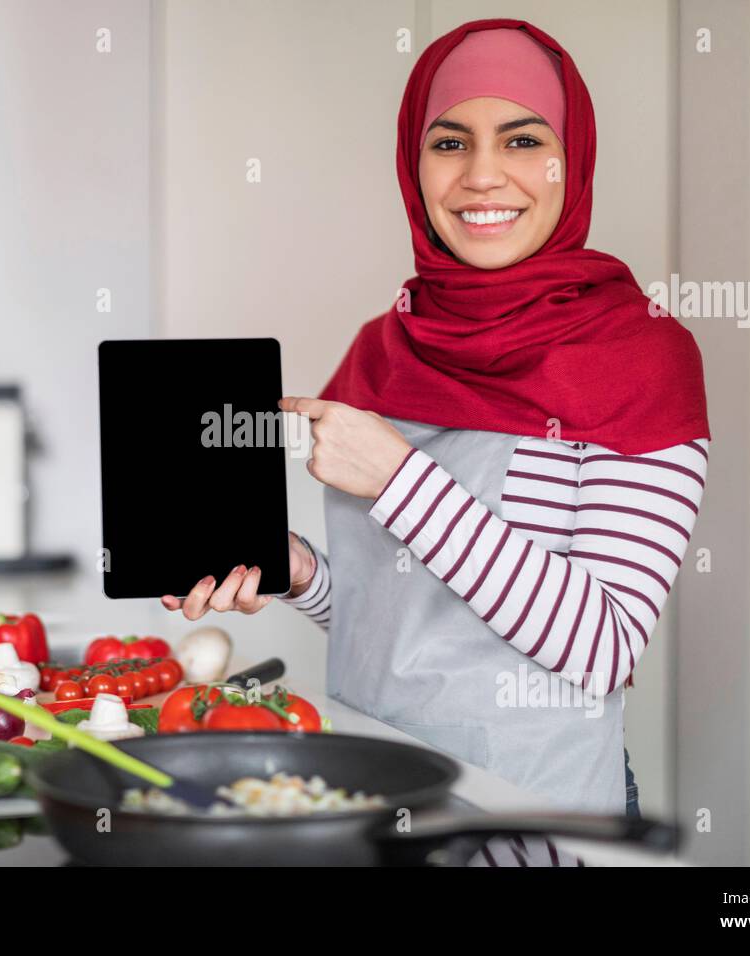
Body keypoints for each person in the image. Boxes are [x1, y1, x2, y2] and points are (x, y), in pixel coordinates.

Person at [161, 18, 709, 816]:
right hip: (367, 796)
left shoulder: (639, 357)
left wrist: (399, 479)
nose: (483, 176)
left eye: (522, 141)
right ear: (413, 166)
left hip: (532, 820)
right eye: (450, 143)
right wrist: (302, 573)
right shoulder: (382, 348)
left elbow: (602, 646)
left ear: (571, 161)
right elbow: (401, 626)